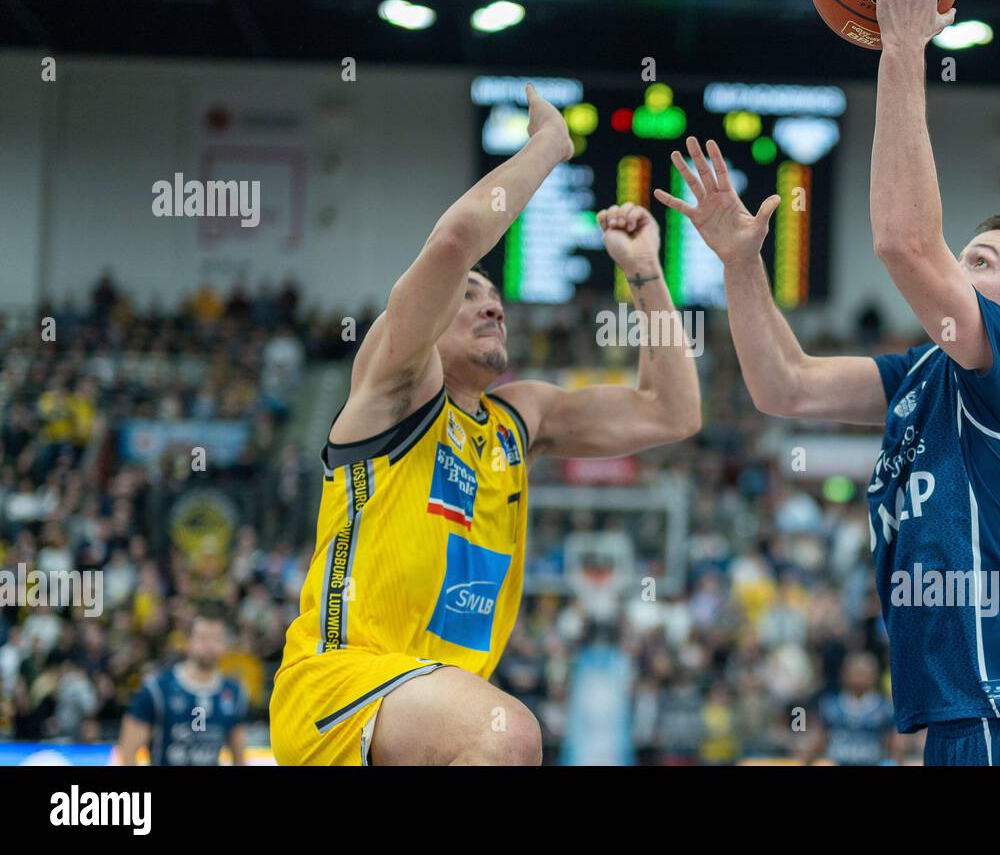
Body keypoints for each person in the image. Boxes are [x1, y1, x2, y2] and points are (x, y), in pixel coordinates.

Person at [654, 0, 1000, 765]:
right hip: (962, 723)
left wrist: (903, 45)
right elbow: (784, 388)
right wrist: (742, 265)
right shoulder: (924, 372)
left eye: (980, 259)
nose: (956, 270)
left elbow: (902, 240)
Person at [270, 85, 701, 766]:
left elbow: (672, 412)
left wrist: (646, 272)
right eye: (470, 295)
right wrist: (548, 147)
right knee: (510, 735)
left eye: (497, 299)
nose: (491, 307)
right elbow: (453, 241)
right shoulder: (396, 386)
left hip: (432, 709)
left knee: (499, 732)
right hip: (342, 685)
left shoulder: (517, 417)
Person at [119, 613, 248, 765]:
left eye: (216, 638)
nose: (209, 645)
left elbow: (239, 756)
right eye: (203, 638)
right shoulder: (158, 688)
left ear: (225, 644)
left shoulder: (234, 693)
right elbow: (128, 749)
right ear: (188, 641)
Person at [802, 651, 900, 765]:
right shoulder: (829, 706)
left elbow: (895, 747)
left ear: (875, 675)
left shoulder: (885, 708)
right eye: (855, 672)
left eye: (864, 672)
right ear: (844, 674)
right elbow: (816, 740)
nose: (859, 677)